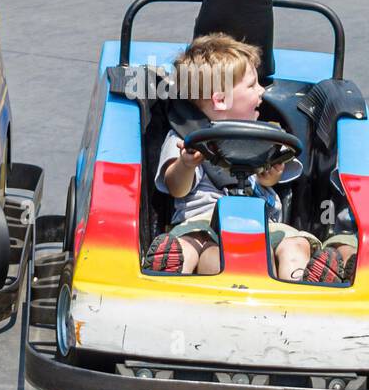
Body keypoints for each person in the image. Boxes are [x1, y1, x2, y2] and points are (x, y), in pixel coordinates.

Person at [144, 33, 357, 283]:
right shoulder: (187, 139)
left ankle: (301, 280)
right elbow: (176, 189)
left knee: (296, 244)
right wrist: (186, 164)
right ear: (220, 100)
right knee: (196, 247)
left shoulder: (267, 134)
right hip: (204, 224)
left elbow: (273, 181)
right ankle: (172, 267)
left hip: (263, 225)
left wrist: (271, 176)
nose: (262, 91)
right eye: (252, 85)